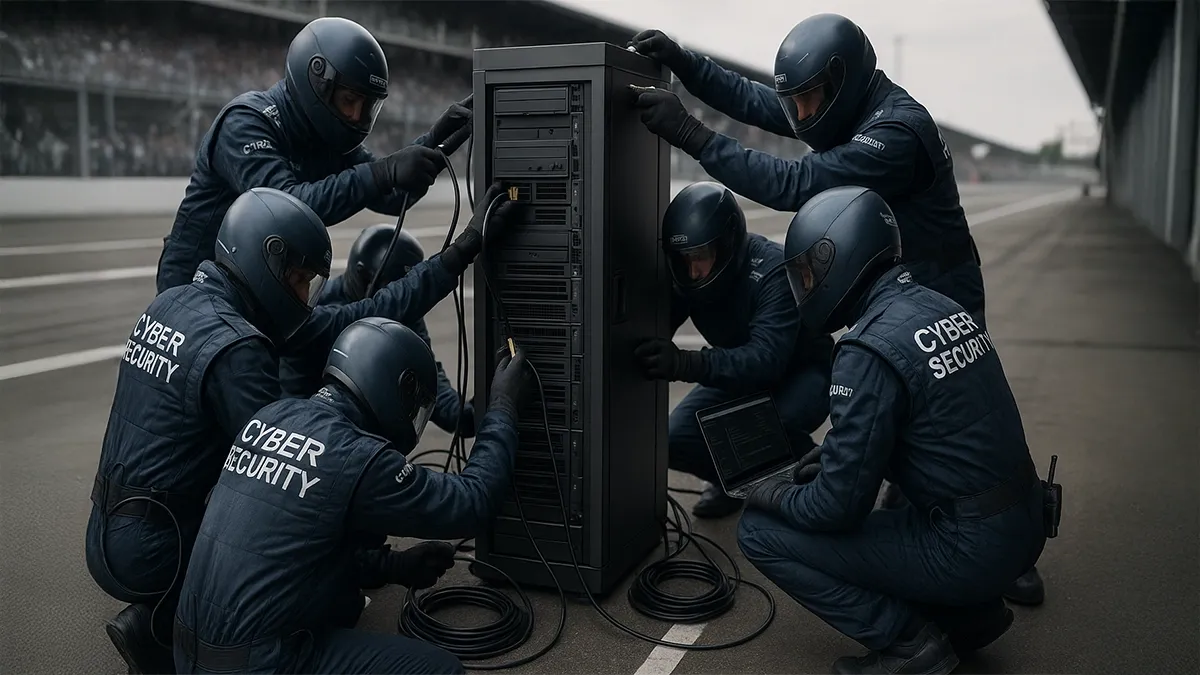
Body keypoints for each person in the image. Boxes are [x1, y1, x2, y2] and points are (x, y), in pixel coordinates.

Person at [628, 12, 1046, 606]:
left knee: (957, 422)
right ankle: (935, 528)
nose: (800, 116)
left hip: (939, 289)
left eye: (808, 101)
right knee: (900, 430)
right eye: (796, 103)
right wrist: (685, 63)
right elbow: (758, 101)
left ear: (842, 80)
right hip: (890, 287)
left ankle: (1011, 551)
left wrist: (692, 135)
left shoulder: (898, 131)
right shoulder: (840, 106)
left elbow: (797, 184)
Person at [87, 185, 515, 673]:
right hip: (157, 550)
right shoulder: (237, 349)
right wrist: (502, 406)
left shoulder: (172, 303)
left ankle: (168, 625)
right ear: (267, 260)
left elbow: (362, 315)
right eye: (298, 280)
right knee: (318, 548)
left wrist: (461, 251)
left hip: (110, 528)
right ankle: (156, 627)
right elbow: (284, 499)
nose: (304, 296)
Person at [735, 186, 1046, 675]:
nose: (806, 287)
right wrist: (829, 458)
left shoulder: (866, 348)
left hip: (971, 549)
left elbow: (835, 508)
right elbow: (940, 434)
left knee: (757, 531)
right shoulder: (941, 306)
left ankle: (909, 643)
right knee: (893, 507)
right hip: (1023, 529)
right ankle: (967, 615)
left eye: (809, 273)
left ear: (841, 258)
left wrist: (771, 493)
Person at [173, 318, 531, 674]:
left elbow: (299, 548)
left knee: (345, 604)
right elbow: (471, 503)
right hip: (254, 663)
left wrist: (395, 567)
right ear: (399, 390)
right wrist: (503, 406)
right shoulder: (355, 455)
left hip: (187, 650)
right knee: (441, 669)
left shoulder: (271, 415)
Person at [155, 15, 473, 293]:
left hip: (255, 286)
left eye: (367, 106)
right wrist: (382, 172)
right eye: (349, 100)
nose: (356, 116)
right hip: (194, 284)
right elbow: (283, 211)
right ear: (318, 81)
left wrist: (437, 142)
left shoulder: (325, 136)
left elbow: (391, 195)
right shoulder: (246, 122)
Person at [632, 182, 833, 519]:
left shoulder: (773, 271)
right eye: (683, 260)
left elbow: (766, 361)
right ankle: (733, 484)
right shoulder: (686, 277)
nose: (692, 271)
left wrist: (684, 363)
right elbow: (656, 327)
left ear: (727, 245)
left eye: (700, 258)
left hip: (802, 373)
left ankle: (820, 478)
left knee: (762, 426)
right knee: (673, 439)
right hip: (738, 371)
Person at [279, 225, 475, 439]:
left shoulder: (402, 314)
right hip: (308, 430)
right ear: (362, 276)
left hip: (364, 437)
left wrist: (459, 414)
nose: (393, 293)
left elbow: (420, 374)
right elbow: (294, 394)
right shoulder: (317, 309)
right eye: (389, 287)